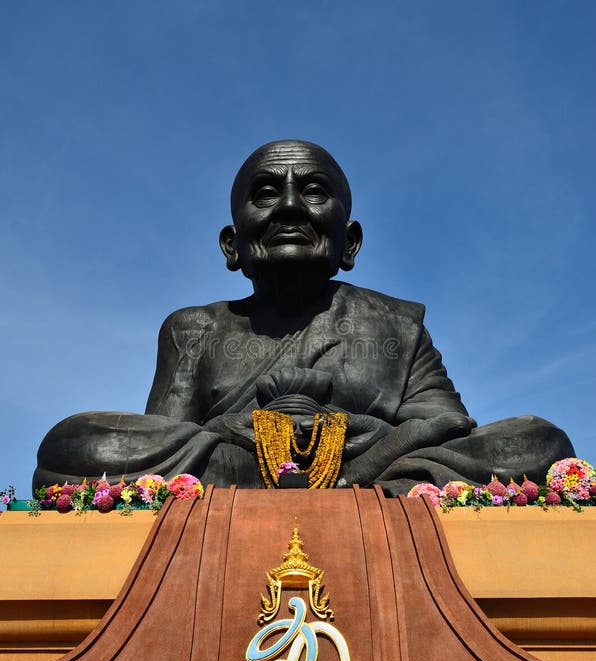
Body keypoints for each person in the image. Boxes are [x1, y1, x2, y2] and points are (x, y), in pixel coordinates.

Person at [34, 140, 573, 495]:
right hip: (234, 466)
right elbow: (169, 441)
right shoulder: (193, 328)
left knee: (538, 444)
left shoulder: (394, 325)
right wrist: (239, 436)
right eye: (266, 194)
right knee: (74, 444)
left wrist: (343, 443)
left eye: (313, 192)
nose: (290, 207)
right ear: (231, 245)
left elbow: (450, 430)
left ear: (350, 241)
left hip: (377, 472)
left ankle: (325, 479)